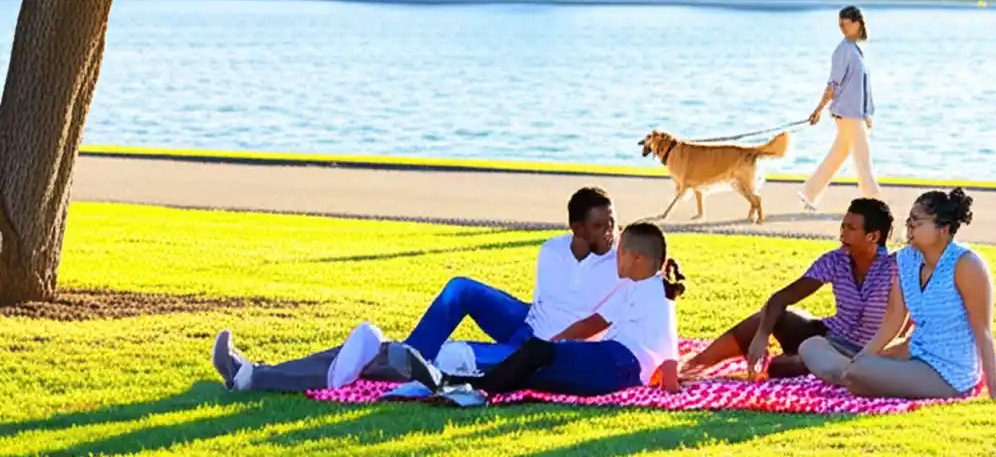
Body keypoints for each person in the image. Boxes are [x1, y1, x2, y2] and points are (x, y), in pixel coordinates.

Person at [210, 186, 621, 392]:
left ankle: (255, 377)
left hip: (542, 349)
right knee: (459, 288)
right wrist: (525, 328)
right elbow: (547, 304)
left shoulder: (624, 262)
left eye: (612, 222)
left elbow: (616, 310)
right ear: (577, 229)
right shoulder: (551, 251)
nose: (610, 230)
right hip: (526, 323)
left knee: (400, 355)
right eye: (601, 224)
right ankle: (409, 356)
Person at [402, 221, 684, 398]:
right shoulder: (633, 287)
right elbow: (591, 324)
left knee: (536, 356)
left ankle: (459, 384)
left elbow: (669, 351)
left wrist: (670, 393)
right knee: (535, 366)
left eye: (620, 251)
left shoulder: (658, 293)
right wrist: (558, 341)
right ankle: (456, 384)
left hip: (618, 365)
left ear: (637, 258)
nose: (615, 257)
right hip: (604, 361)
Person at [799, 188, 996, 400]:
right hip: (913, 353)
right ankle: (856, 373)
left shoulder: (967, 264)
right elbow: (893, 319)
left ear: (942, 229)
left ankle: (856, 374)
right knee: (811, 346)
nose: (909, 229)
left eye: (917, 223)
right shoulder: (906, 260)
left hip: (948, 373)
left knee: (860, 371)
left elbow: (984, 333)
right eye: (908, 222)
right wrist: (864, 356)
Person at [679, 198, 896, 380]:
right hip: (828, 334)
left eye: (851, 229)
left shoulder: (895, 269)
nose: (842, 234)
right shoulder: (835, 260)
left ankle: (770, 365)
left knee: (794, 364)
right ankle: (696, 364)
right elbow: (780, 298)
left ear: (873, 236)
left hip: (858, 351)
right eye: (843, 226)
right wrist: (762, 335)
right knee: (767, 317)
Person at [798, 4, 881, 209]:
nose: (842, 29)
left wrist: (866, 114)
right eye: (840, 25)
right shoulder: (843, 51)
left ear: (857, 23)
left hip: (854, 115)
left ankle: (809, 193)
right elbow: (833, 85)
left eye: (845, 24)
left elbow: (861, 86)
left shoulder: (855, 50)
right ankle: (873, 202)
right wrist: (818, 110)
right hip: (848, 115)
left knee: (837, 156)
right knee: (863, 159)